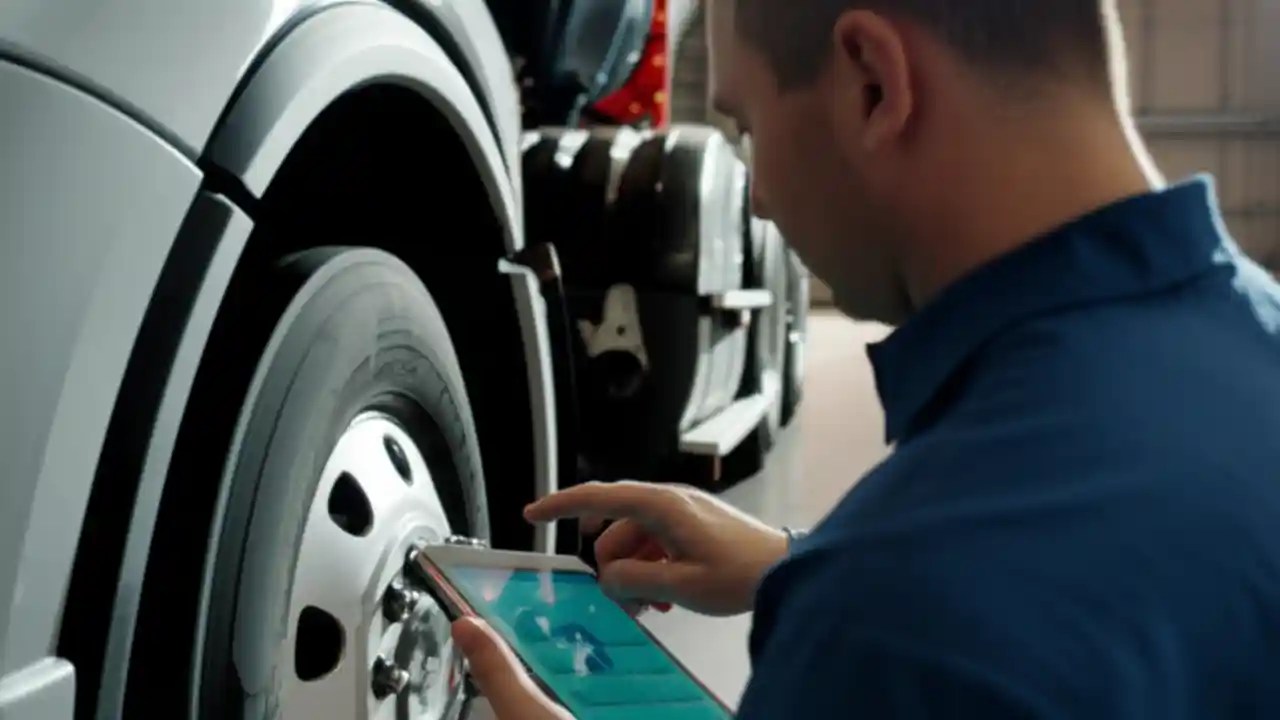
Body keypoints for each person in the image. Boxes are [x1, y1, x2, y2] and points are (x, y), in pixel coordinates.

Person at [453, 0, 1280, 716]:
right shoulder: (1256, 345)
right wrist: (796, 559)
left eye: (747, 126)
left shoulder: (896, 614)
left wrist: (852, 585)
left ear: (874, 83)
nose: (762, 199)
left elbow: (962, 608)